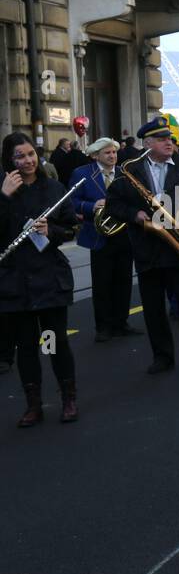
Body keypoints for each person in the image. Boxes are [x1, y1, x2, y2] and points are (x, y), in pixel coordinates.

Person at [105, 117, 179, 374]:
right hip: (147, 246)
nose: (168, 143)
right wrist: (136, 216)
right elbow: (113, 204)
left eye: (169, 139)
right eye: (161, 139)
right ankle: (162, 356)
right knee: (152, 306)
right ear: (147, 143)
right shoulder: (130, 169)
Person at [0, 132, 82, 425]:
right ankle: (33, 404)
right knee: (26, 345)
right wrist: (4, 196)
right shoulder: (4, 190)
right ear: (9, 161)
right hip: (15, 279)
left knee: (56, 340)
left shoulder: (54, 188)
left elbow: (71, 229)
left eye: (31, 154)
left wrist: (52, 232)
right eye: (19, 157)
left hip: (49, 276)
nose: (27, 161)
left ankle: (68, 399)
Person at [69, 138, 141, 342]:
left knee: (124, 280)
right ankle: (103, 326)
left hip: (124, 233)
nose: (112, 156)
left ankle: (121, 322)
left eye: (114, 152)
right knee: (102, 283)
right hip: (99, 234)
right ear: (96, 155)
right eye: (107, 153)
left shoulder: (123, 173)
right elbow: (72, 201)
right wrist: (91, 206)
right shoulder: (82, 173)